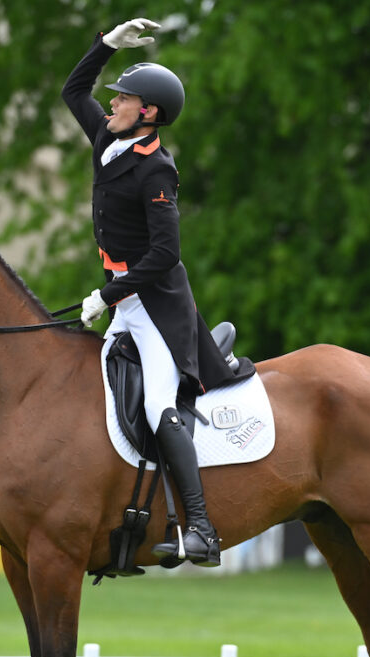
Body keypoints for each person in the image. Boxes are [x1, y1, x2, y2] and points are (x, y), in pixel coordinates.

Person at [63, 18, 250, 566]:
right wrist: (106, 46)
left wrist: (110, 294)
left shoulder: (156, 170)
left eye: (124, 97)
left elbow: (165, 255)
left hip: (157, 307)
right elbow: (73, 91)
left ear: (148, 113)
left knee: (157, 403)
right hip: (124, 297)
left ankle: (202, 529)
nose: (112, 101)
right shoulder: (108, 139)